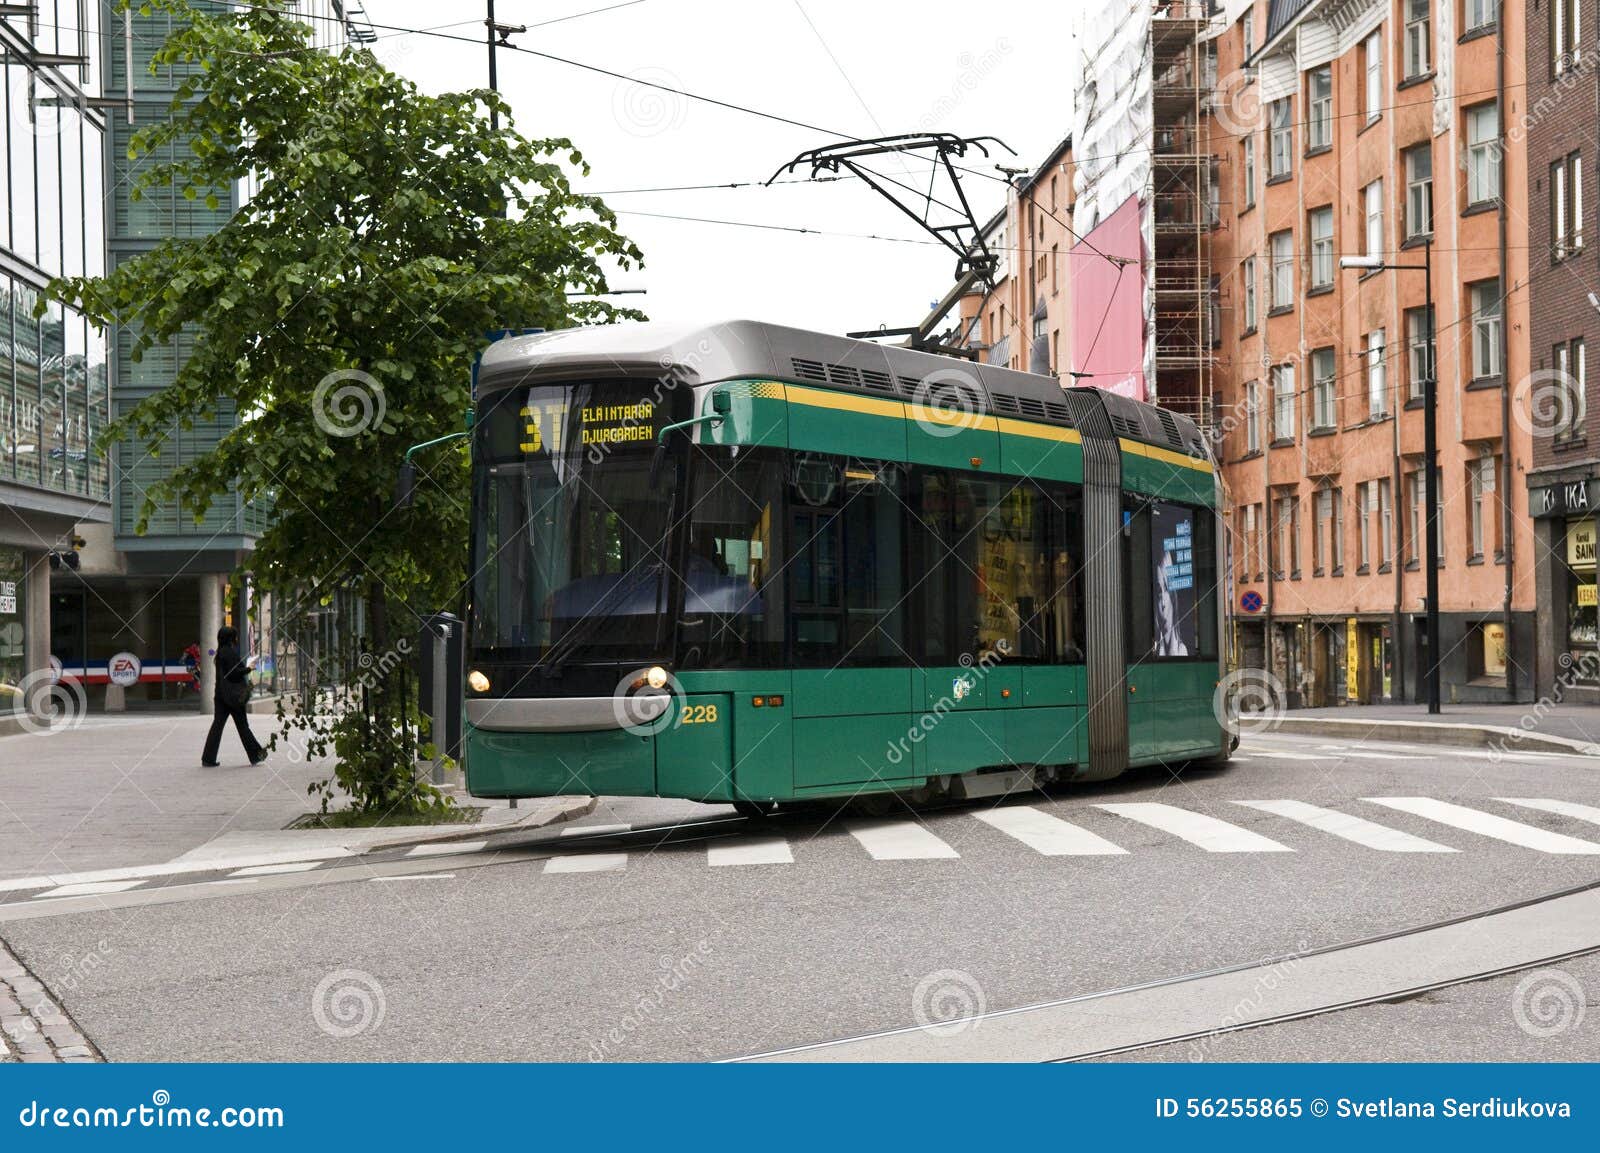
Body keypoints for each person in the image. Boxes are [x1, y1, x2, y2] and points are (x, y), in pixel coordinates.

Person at [201, 626, 266, 767]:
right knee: (243, 726)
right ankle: (256, 755)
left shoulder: (220, 653)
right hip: (234, 697)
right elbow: (233, 674)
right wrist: (249, 668)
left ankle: (208, 758)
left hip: (221, 696)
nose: (237, 639)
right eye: (235, 636)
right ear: (231, 638)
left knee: (217, 727)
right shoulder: (229, 653)